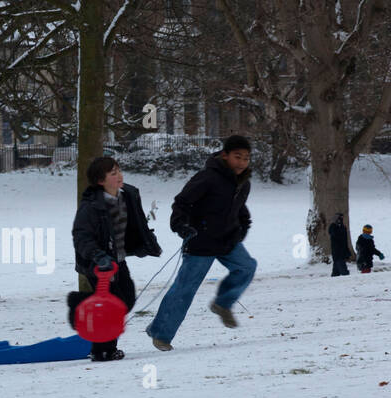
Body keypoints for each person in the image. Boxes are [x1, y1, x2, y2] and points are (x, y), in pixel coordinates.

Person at [145, 135, 257, 350]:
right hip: (201, 241)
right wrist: (181, 226)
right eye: (237, 157)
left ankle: (222, 304)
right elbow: (182, 201)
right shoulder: (208, 177)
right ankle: (161, 333)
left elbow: (238, 207)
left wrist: (243, 225)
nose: (242, 162)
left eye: (246, 158)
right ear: (225, 155)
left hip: (227, 239)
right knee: (185, 289)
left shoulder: (243, 183)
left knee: (247, 267)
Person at [70, 157, 162, 361]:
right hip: (98, 264)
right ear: (100, 181)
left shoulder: (128, 194)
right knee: (111, 306)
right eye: (113, 173)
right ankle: (103, 350)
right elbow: (81, 236)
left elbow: (136, 222)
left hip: (118, 259)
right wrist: (98, 256)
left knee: (126, 300)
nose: (119, 176)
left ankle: (83, 308)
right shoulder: (91, 207)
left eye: (119, 170)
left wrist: (146, 241)